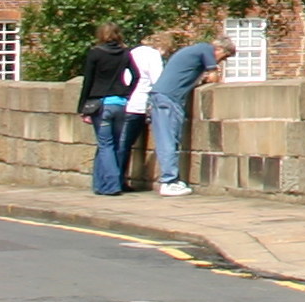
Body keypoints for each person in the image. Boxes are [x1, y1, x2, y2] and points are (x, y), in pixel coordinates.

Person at [144, 33, 230, 196]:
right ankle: (169, 182)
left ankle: (171, 180)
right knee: (168, 140)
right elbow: (214, 77)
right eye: (224, 56)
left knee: (169, 139)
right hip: (168, 98)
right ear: (218, 48)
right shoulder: (206, 49)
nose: (221, 61)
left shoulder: (194, 50)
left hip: (162, 97)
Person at [77, 25, 140, 196]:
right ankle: (100, 184)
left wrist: (83, 108)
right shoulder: (125, 53)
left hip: (101, 104)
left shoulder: (95, 53)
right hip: (120, 104)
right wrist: (127, 92)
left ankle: (112, 185)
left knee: (105, 145)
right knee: (112, 144)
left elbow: (88, 81)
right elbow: (136, 76)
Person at [123, 31, 164, 188]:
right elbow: (157, 80)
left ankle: (117, 179)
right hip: (139, 104)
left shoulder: (132, 52)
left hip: (125, 101)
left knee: (122, 145)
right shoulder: (153, 55)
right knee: (126, 144)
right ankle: (121, 181)